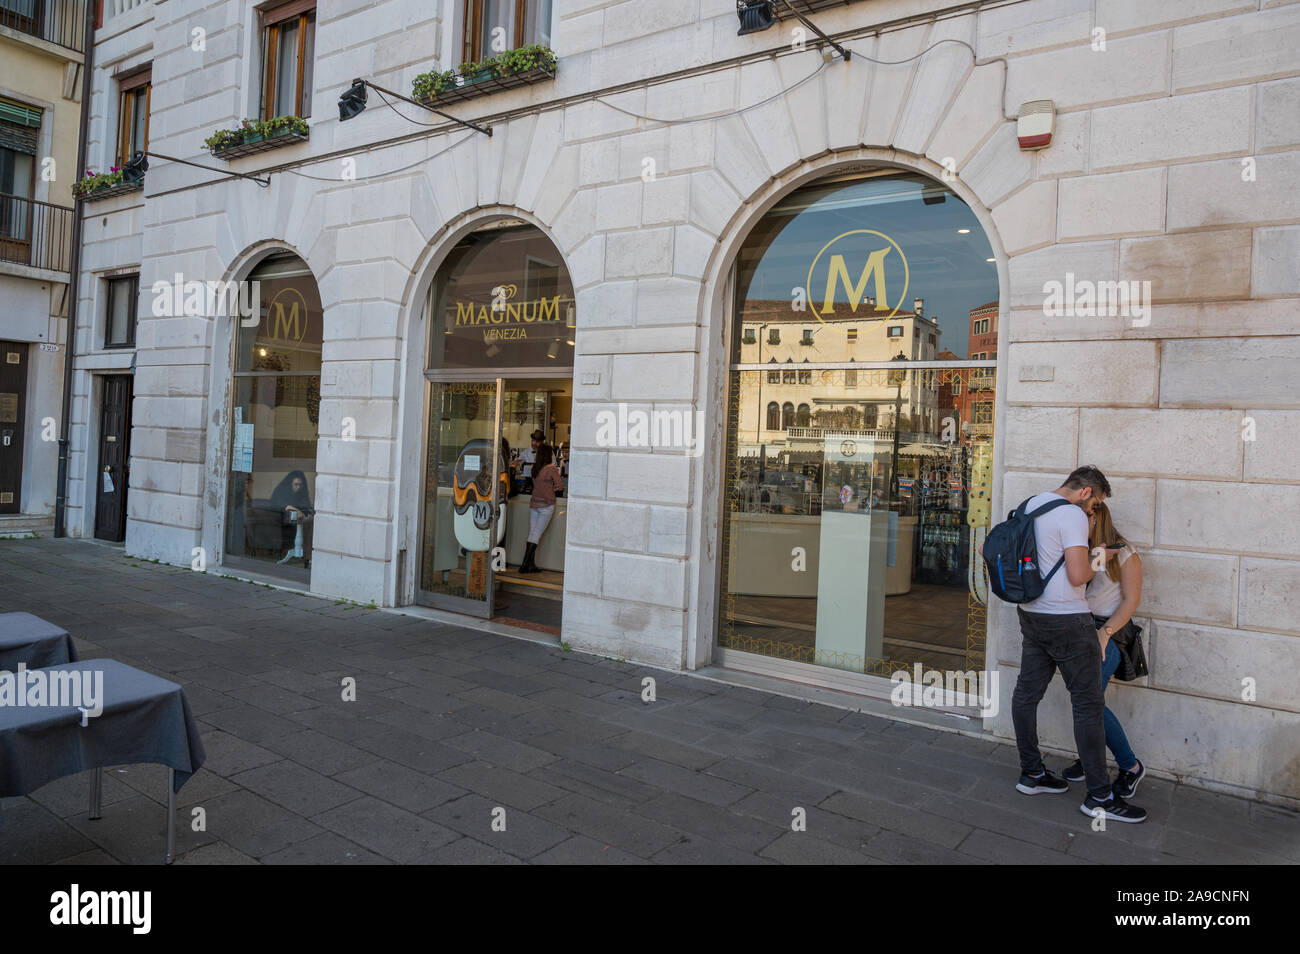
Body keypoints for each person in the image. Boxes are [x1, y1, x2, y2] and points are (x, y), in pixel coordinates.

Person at [1010, 465, 1147, 823]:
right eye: (1094, 504)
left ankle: (1032, 774)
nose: (1091, 512)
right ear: (1086, 492)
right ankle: (1100, 798)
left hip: (1030, 612)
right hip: (1067, 621)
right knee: (1088, 705)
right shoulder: (1070, 513)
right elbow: (1078, 575)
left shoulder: (1031, 504)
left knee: (1026, 694)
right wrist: (1102, 555)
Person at [1060, 502, 1146, 797]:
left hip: (1110, 630)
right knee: (1084, 700)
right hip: (1078, 627)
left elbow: (1131, 601)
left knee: (1090, 700)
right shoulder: (1079, 551)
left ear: (1097, 517)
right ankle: (1090, 759)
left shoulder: (1125, 553)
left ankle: (1131, 767)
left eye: (1082, 516)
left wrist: (1105, 633)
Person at [520, 443, 563, 573]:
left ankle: (530, 565)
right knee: (536, 535)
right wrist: (552, 489)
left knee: (532, 533)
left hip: (534, 504)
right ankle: (524, 564)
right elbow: (560, 486)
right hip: (546, 505)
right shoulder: (551, 469)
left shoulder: (535, 468)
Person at [271, 470, 313, 565]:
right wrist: (299, 512)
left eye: (300, 485)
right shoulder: (281, 491)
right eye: (296, 484)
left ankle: (307, 555)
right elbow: (284, 506)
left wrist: (307, 513)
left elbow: (306, 506)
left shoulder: (302, 493)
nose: (298, 487)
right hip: (282, 521)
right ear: (290, 484)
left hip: (300, 521)